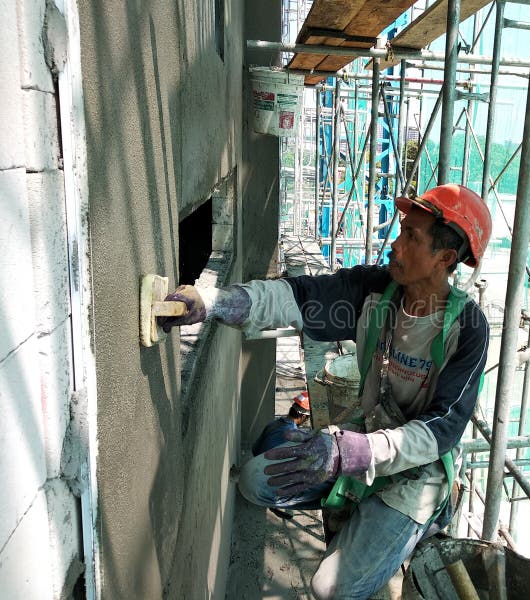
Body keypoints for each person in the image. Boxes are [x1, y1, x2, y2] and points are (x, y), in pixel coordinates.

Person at [160, 183, 492, 600]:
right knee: (255, 482)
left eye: (412, 237)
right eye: (402, 230)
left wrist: (352, 454)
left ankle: (419, 518)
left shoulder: (469, 330)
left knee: (329, 588)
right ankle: (361, 513)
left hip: (419, 470)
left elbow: (442, 430)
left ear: (444, 258)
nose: (396, 245)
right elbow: (297, 297)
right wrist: (214, 302)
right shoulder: (374, 292)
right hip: (364, 435)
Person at [251, 391, 311, 456]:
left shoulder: (273, 424)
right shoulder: (293, 434)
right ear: (303, 417)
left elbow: (255, 450)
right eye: (307, 419)